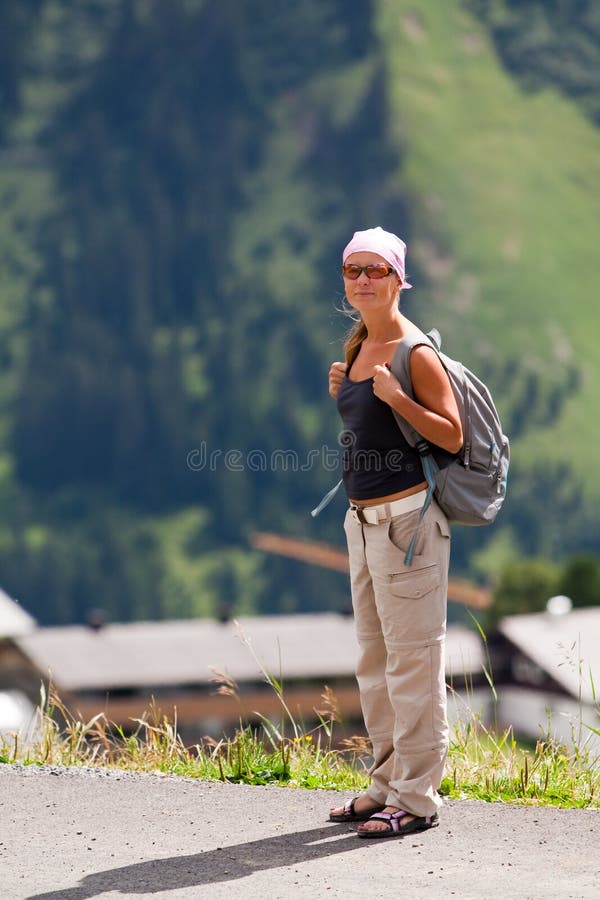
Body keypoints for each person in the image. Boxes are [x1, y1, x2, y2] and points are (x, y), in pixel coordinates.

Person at [327, 226, 463, 838]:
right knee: (374, 660)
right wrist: (349, 392)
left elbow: (451, 435)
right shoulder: (359, 344)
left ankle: (417, 799)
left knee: (413, 662)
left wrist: (396, 397)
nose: (362, 280)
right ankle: (384, 784)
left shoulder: (413, 351)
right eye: (353, 270)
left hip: (408, 525)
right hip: (362, 524)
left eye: (375, 271)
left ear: (399, 279)